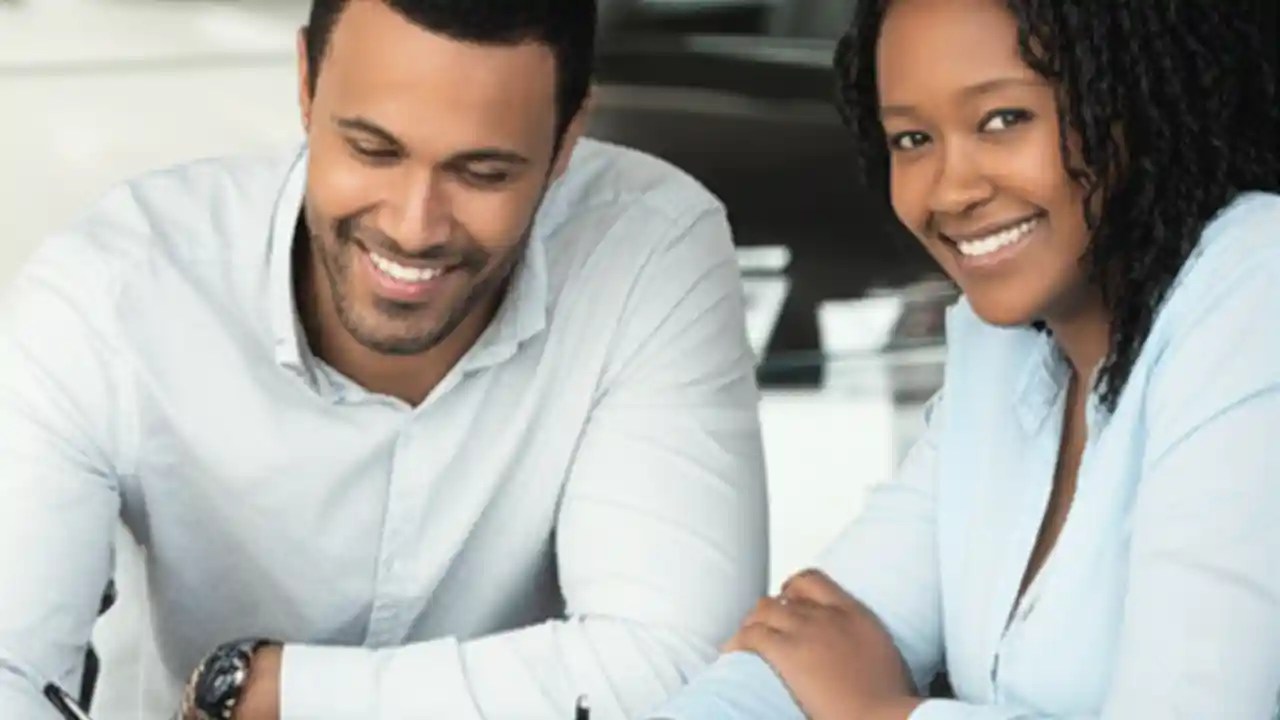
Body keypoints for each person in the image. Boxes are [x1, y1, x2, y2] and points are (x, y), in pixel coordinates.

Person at [0, 1, 769, 718]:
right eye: (372, 149)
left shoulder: (646, 246)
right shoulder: (113, 292)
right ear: (305, 84)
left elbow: (683, 668)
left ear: (566, 141)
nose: (414, 225)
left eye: (484, 173)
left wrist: (275, 691)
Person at [653, 0, 1280, 717]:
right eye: (913, 138)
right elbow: (802, 646)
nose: (951, 189)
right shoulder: (1003, 348)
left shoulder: (1257, 286)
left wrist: (881, 712)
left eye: (1004, 120)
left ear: (1128, 102)